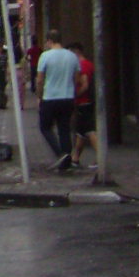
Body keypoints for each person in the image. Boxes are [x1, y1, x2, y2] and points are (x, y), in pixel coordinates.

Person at [36, 29, 81, 171]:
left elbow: (40, 79)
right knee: (64, 129)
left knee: (45, 127)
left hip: (50, 97)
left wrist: (39, 95)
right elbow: (77, 78)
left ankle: (60, 154)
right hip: (67, 97)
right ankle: (66, 162)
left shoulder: (45, 56)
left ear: (49, 41)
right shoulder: (72, 56)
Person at [68, 41, 96, 169]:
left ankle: (101, 157)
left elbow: (84, 85)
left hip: (83, 102)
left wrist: (75, 96)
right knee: (81, 132)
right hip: (86, 102)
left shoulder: (82, 65)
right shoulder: (89, 64)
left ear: (75, 52)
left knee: (89, 131)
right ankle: (75, 158)